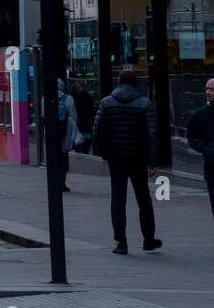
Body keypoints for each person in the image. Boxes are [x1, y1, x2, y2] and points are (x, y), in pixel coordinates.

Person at [92, 69, 161, 255]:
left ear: (118, 82)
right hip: (138, 158)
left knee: (118, 198)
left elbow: (98, 131)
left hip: (116, 158)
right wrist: (153, 161)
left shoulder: (106, 103)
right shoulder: (144, 104)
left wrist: (105, 154)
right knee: (143, 198)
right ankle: (148, 239)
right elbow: (153, 134)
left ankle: (121, 242)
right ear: (136, 84)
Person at [186, 79, 214, 223]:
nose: (208, 92)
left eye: (211, 89)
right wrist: (207, 151)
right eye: (206, 89)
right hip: (211, 168)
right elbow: (192, 137)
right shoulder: (200, 114)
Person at [56, 79, 81, 192]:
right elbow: (73, 116)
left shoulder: (46, 96)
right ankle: (61, 181)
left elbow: (42, 114)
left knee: (53, 156)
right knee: (63, 156)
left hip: (52, 131)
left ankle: (53, 180)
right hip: (64, 130)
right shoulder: (68, 98)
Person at [71, 83, 96, 150]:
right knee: (85, 136)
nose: (80, 89)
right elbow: (90, 107)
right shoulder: (84, 95)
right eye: (78, 88)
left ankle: (80, 147)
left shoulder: (75, 97)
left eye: (79, 87)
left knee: (81, 135)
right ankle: (84, 148)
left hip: (82, 120)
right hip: (84, 120)